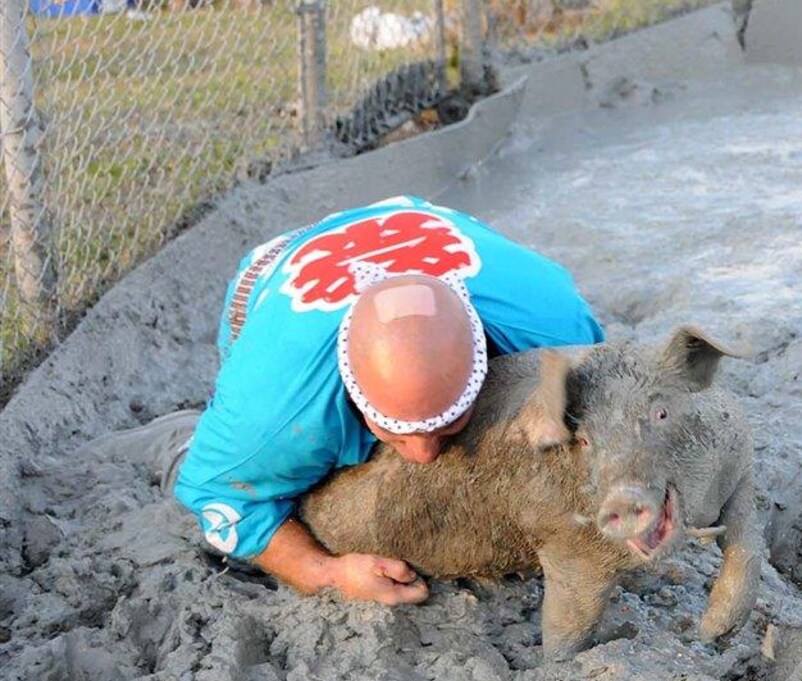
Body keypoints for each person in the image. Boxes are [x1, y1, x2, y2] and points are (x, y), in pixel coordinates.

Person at [94, 196, 603, 604]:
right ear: (350, 394)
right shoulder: (280, 403)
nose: (424, 453)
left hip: (420, 224)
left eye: (449, 422)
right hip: (274, 276)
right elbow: (217, 500)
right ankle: (183, 434)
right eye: (391, 429)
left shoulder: (555, 328)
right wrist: (326, 571)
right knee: (267, 478)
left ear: (488, 359)